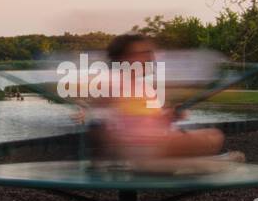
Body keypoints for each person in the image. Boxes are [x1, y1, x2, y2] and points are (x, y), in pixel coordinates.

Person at [85, 34, 232, 170]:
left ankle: (187, 165)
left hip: (154, 144)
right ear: (122, 58)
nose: (147, 58)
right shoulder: (110, 82)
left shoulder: (144, 88)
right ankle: (202, 165)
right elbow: (98, 121)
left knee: (213, 136)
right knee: (200, 140)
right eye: (140, 54)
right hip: (137, 149)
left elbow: (154, 121)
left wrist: (170, 116)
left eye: (148, 53)